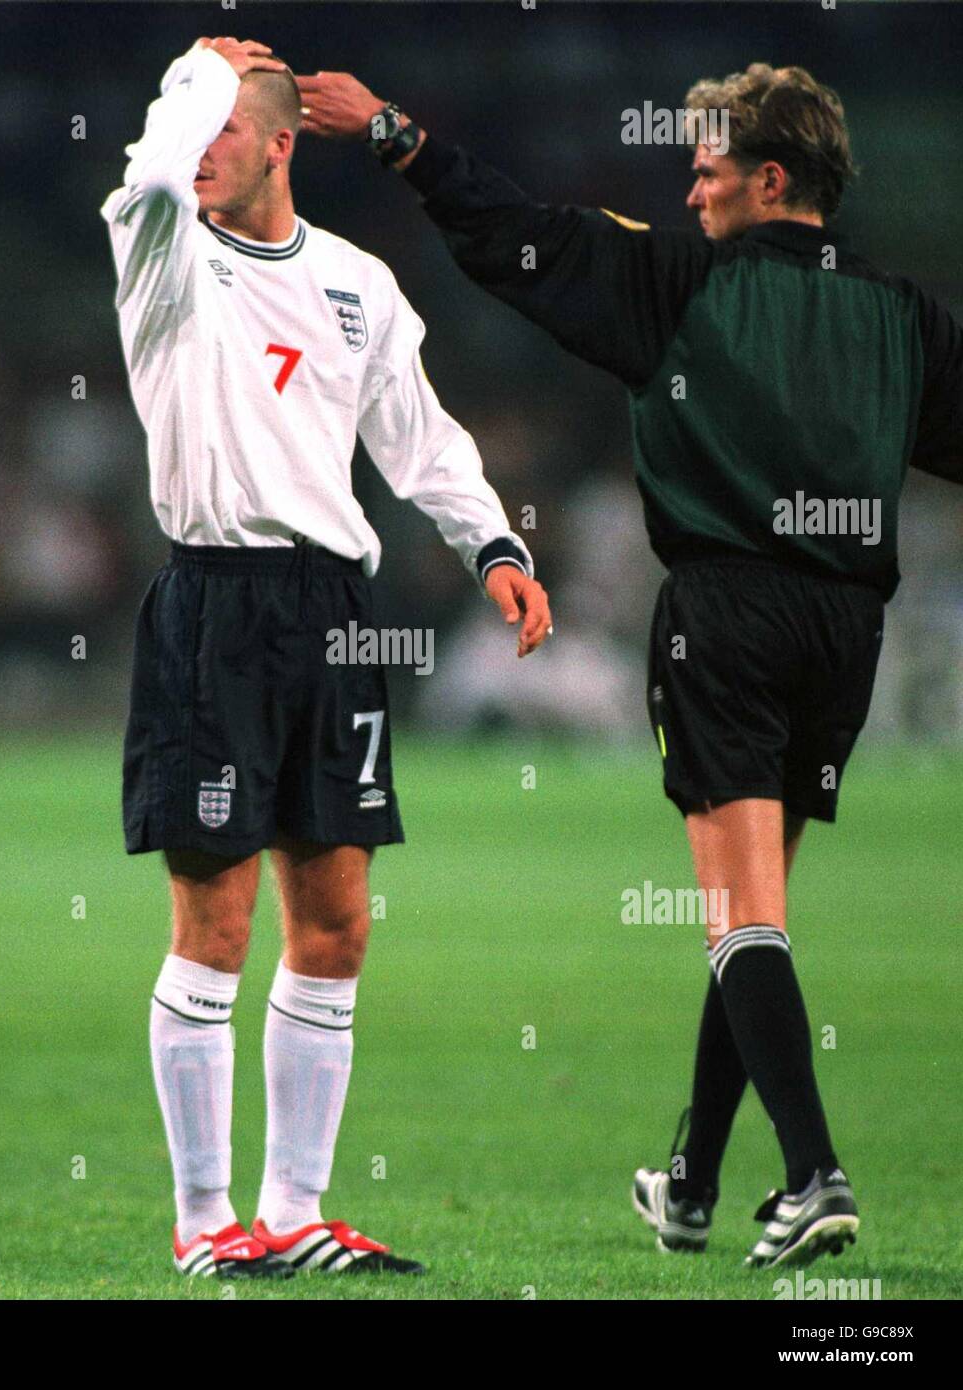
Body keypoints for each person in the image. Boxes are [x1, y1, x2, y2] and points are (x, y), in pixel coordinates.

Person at [297, 61, 962, 1269]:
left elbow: (513, 237)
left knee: (738, 918)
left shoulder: (678, 281)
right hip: (845, 638)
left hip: (724, 614)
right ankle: (695, 1183)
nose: (689, 183)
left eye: (707, 164)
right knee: (750, 913)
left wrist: (394, 134)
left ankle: (811, 1173)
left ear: (769, 180)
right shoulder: (904, 318)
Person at [101, 36, 552, 1280]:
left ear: (282, 144)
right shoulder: (165, 255)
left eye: (227, 134)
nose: (200, 154)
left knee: (338, 922)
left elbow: (417, 435)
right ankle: (204, 1221)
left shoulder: (356, 283)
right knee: (215, 923)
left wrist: (492, 544)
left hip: (331, 616)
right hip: (214, 608)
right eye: (193, 130)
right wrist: (195, 63)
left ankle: (293, 1210)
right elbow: (145, 162)